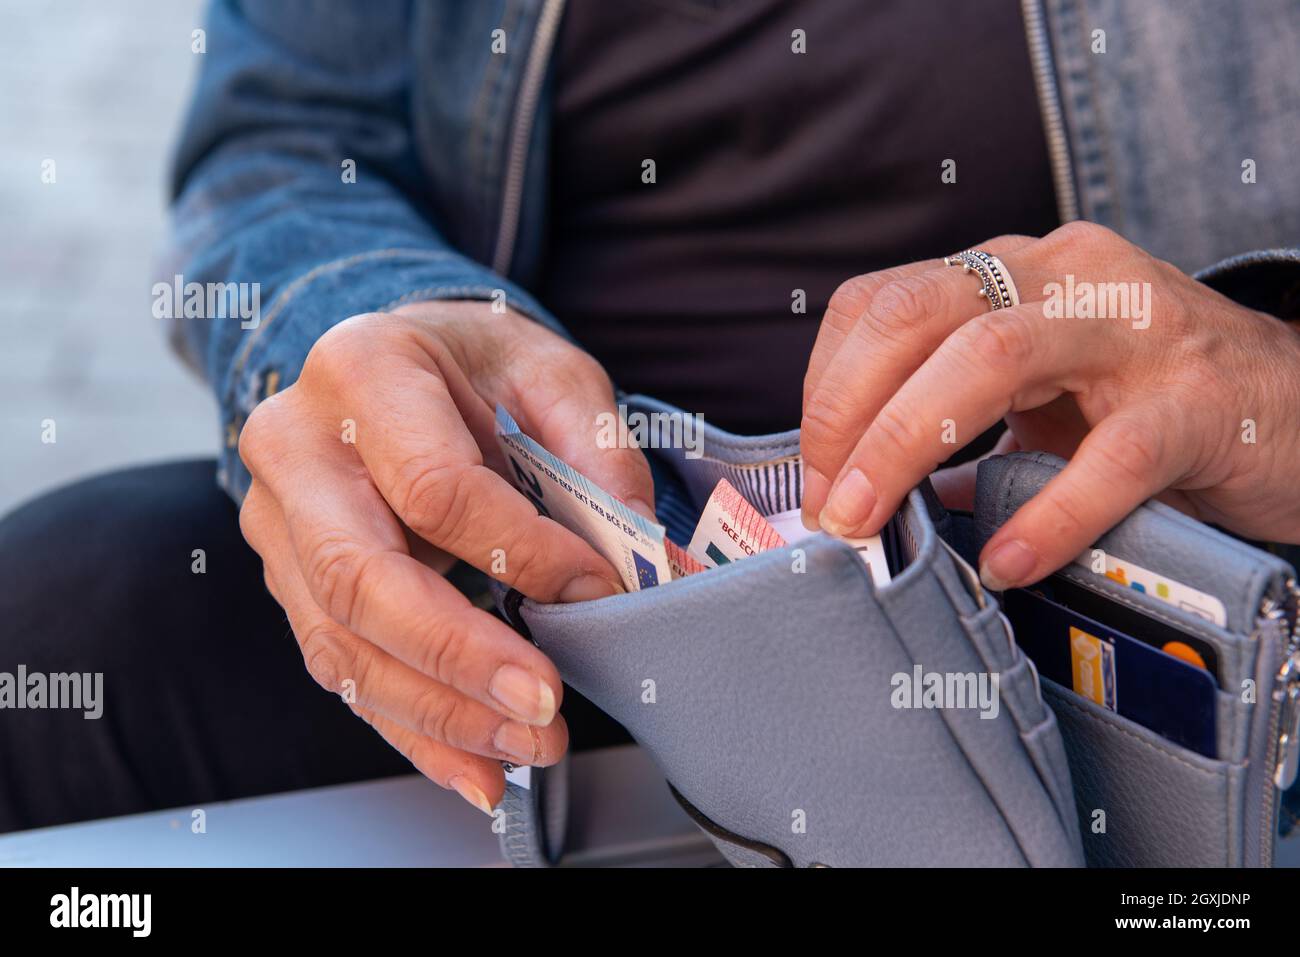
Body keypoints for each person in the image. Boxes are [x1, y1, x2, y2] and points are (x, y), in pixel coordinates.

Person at [2, 0, 1298, 832]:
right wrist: (358, 328)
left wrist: (1271, 384)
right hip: (551, 590)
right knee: (53, 623)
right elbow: (284, 140)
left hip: (1112, 584)